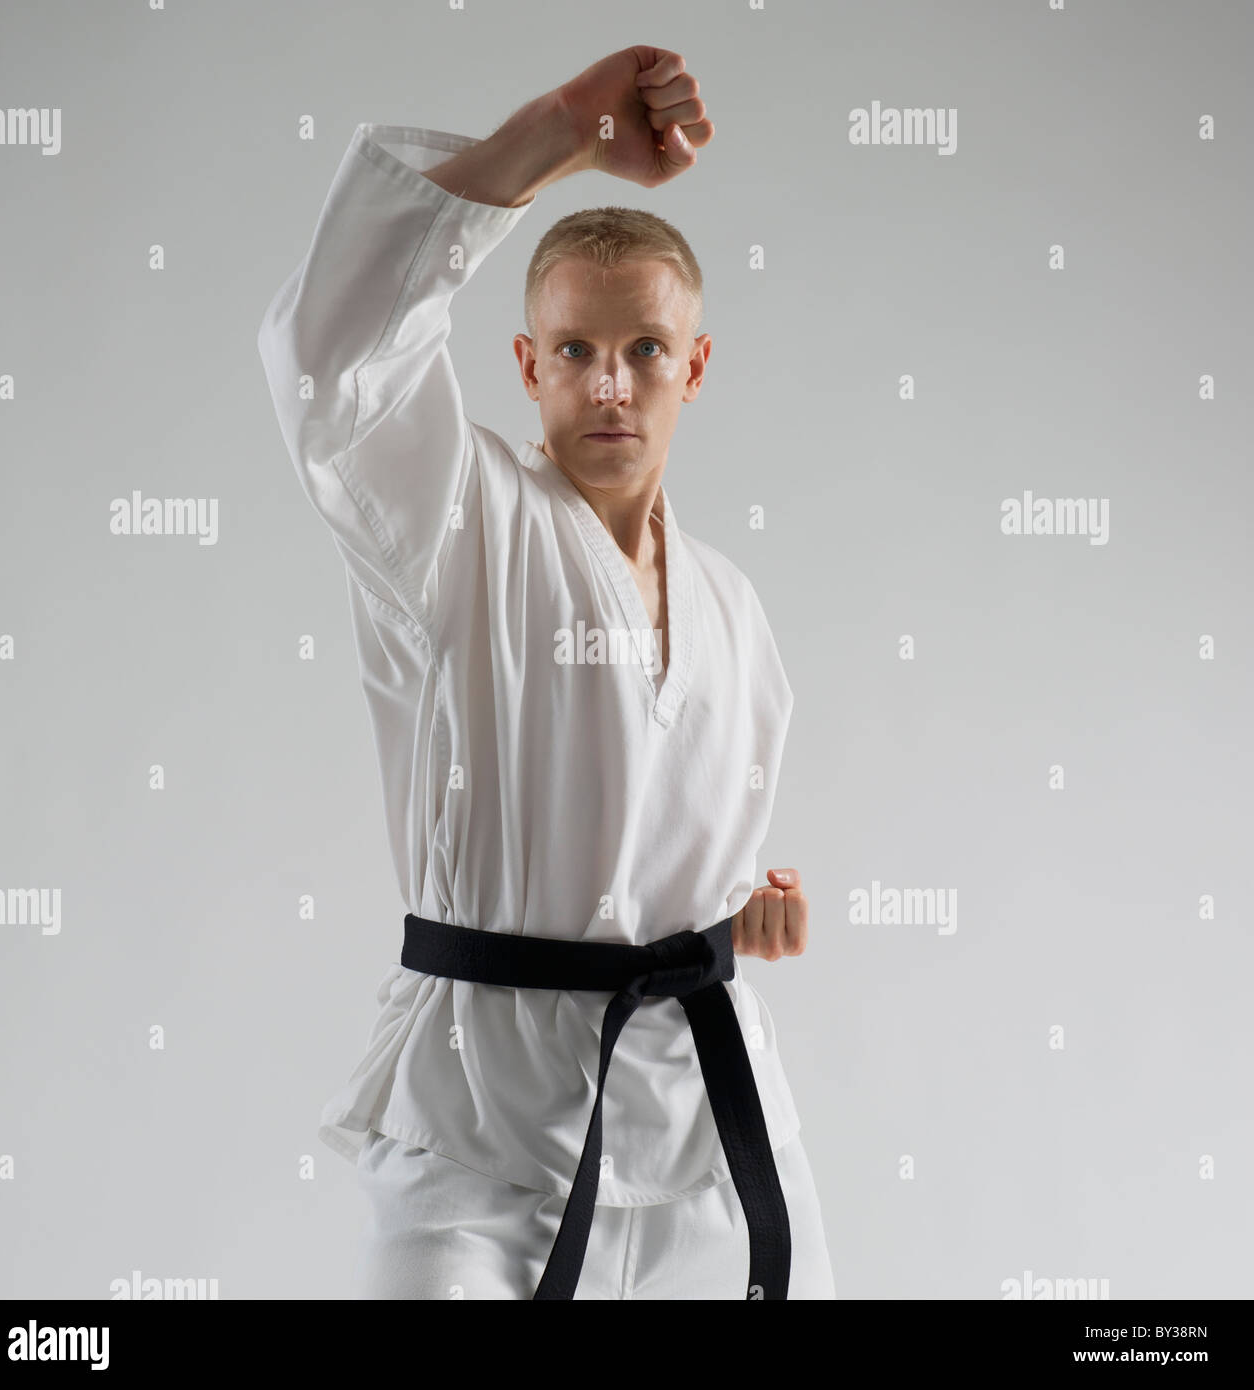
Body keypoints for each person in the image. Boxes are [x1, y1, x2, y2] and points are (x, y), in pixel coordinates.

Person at [256, 44, 836, 1300]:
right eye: (573, 350)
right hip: (481, 1146)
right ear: (526, 367)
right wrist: (558, 133)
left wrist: (742, 913)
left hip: (711, 1145)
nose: (609, 383)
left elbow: (650, 851)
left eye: (644, 349)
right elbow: (331, 361)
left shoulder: (735, 605)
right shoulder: (457, 521)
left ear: (695, 366)